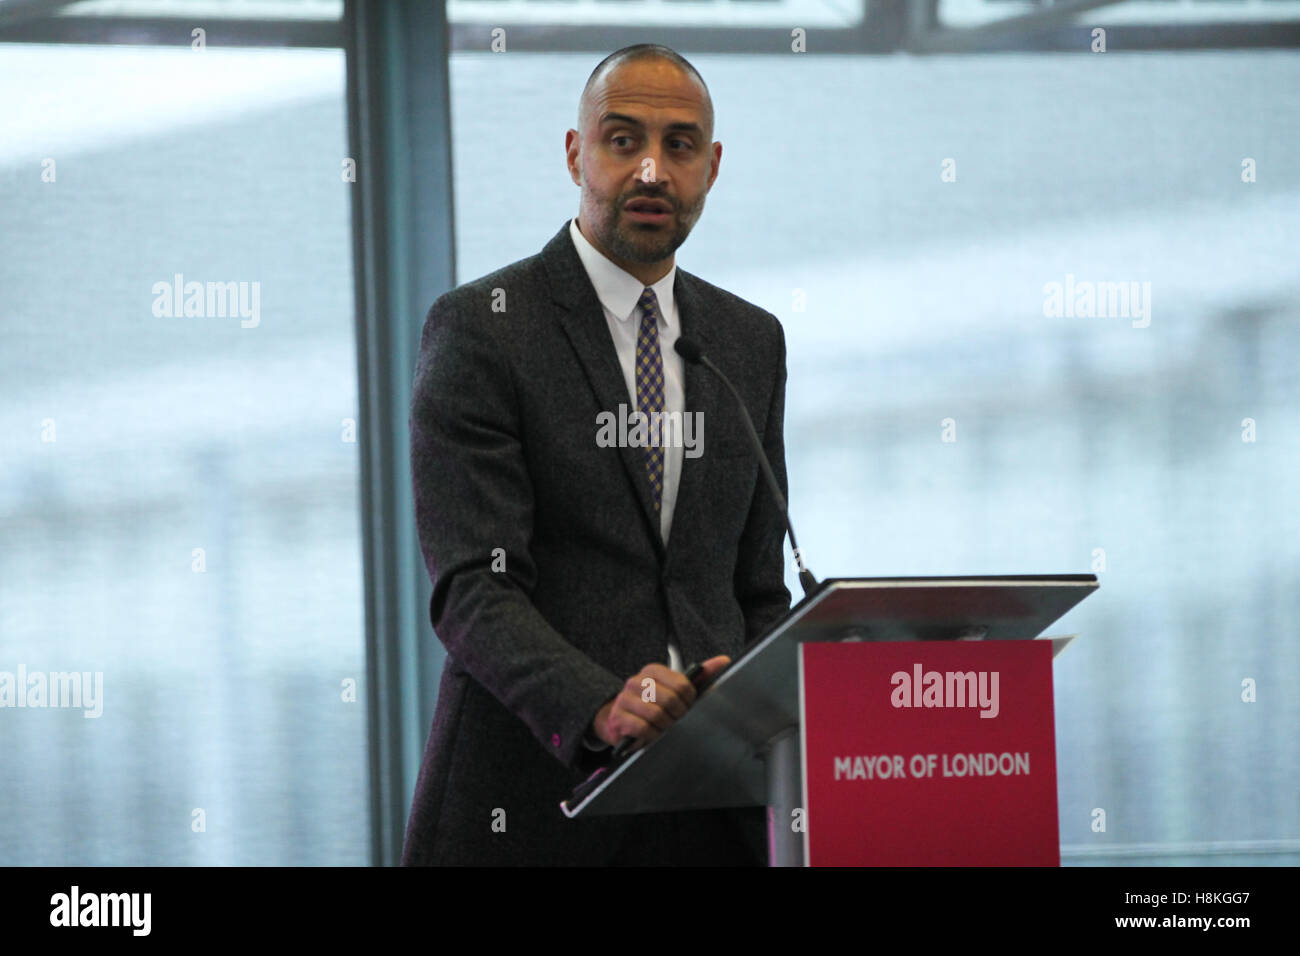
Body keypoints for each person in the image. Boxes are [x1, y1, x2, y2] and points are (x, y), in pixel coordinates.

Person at [401, 44, 792, 866]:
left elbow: (756, 585)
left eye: (680, 146)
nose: (653, 169)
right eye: (623, 140)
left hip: (714, 810)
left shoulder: (748, 342)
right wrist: (600, 705)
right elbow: (474, 586)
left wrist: (761, 700)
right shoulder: (484, 328)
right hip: (532, 804)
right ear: (576, 153)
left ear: (711, 167)